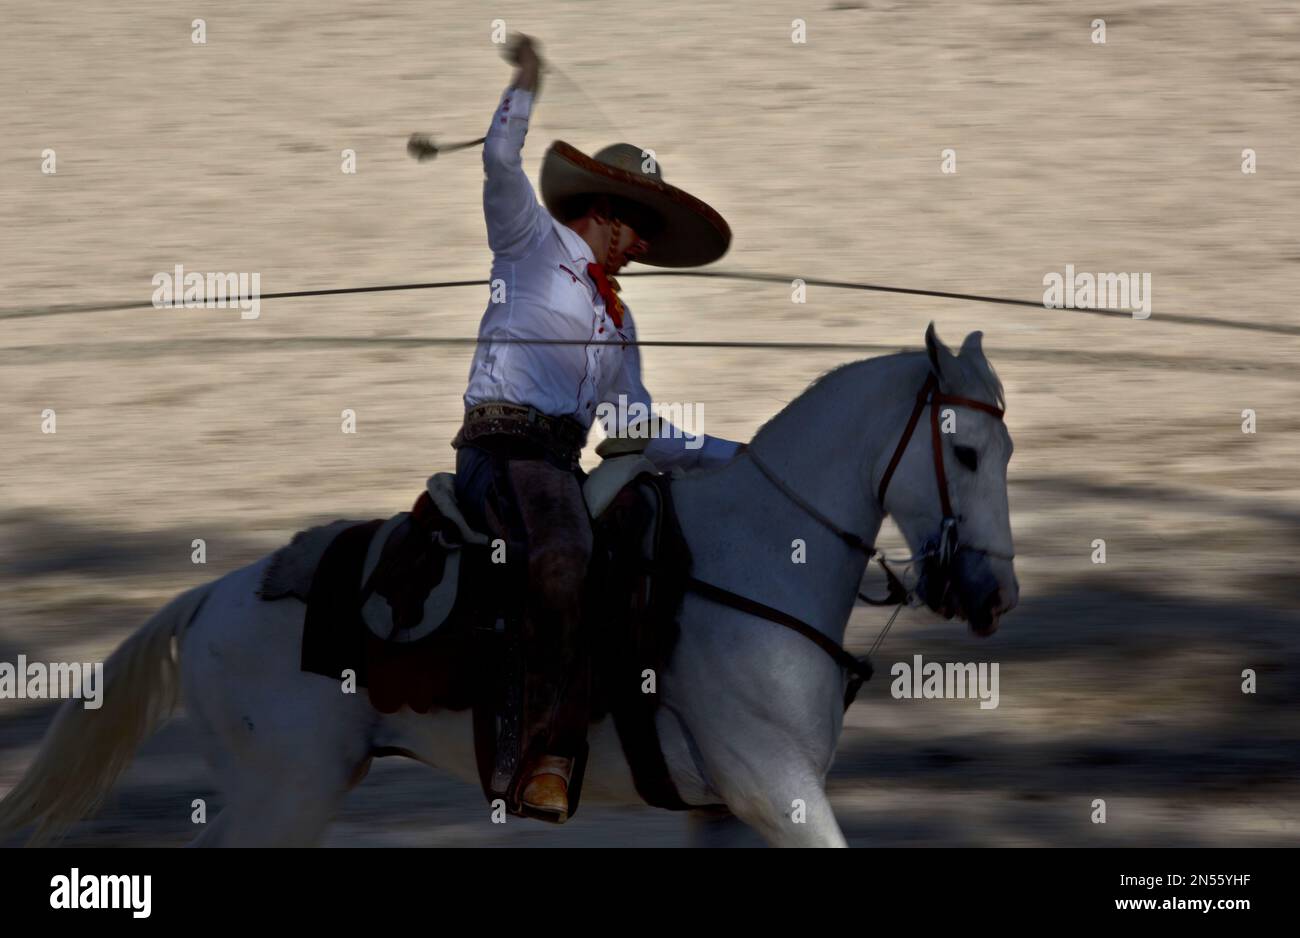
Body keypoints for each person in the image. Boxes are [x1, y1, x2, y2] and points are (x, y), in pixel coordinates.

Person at [452, 34, 741, 820]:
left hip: (557, 464)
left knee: (646, 539)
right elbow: (500, 164)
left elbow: (632, 423)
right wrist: (526, 82)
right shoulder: (528, 240)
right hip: (500, 448)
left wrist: (740, 458)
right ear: (606, 210)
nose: (644, 246)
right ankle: (548, 758)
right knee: (564, 553)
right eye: (639, 226)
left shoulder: (619, 323)